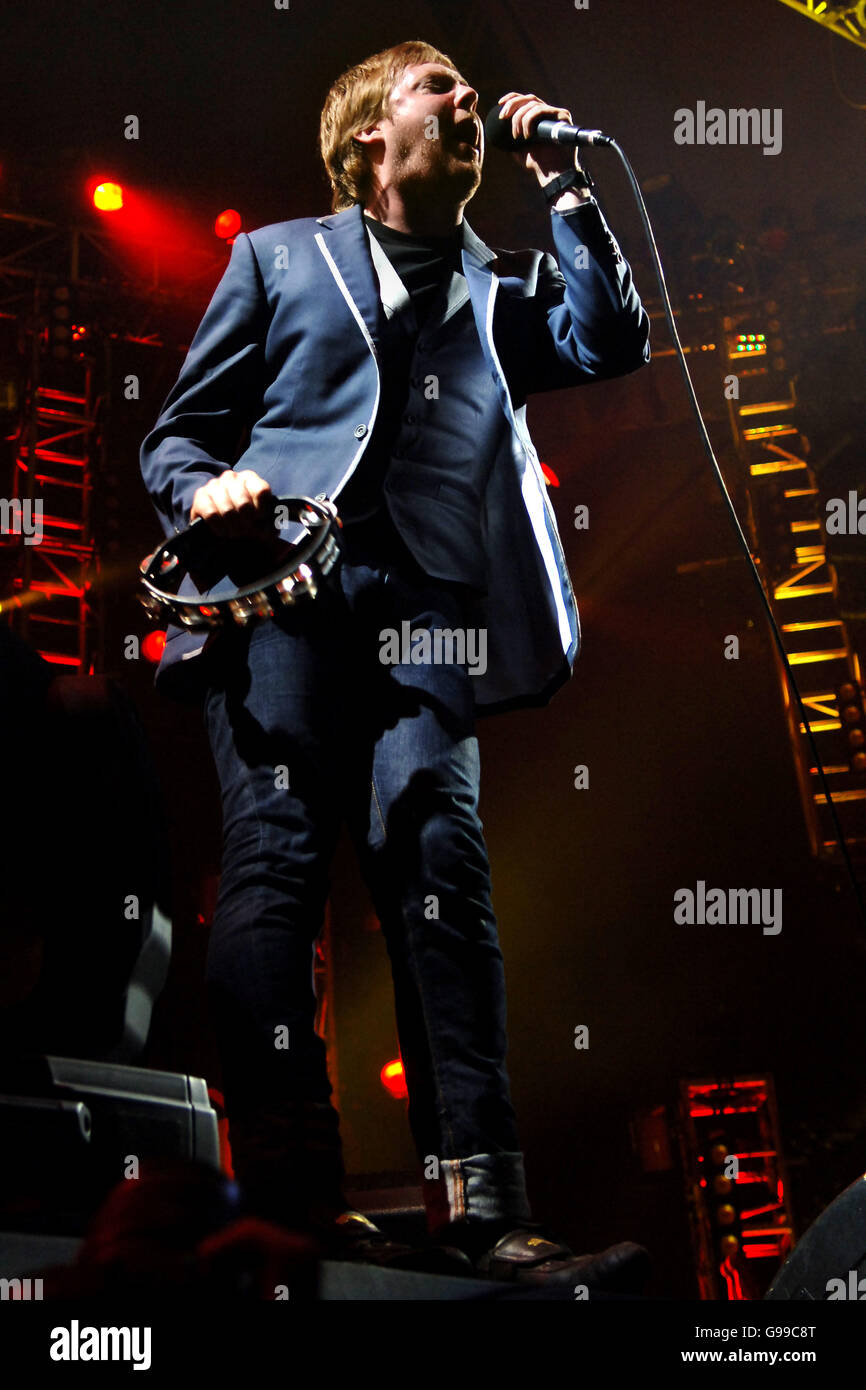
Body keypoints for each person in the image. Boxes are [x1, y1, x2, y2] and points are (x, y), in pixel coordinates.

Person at [139, 39, 651, 1287]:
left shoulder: (500, 287)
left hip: (426, 608)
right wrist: (214, 491)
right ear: (367, 136)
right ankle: (295, 1189)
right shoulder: (275, 257)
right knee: (277, 862)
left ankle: (480, 1201)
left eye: (474, 97)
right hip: (282, 592)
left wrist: (566, 187)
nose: (468, 104)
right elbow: (176, 438)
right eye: (441, 94)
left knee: (438, 860)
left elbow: (607, 343)